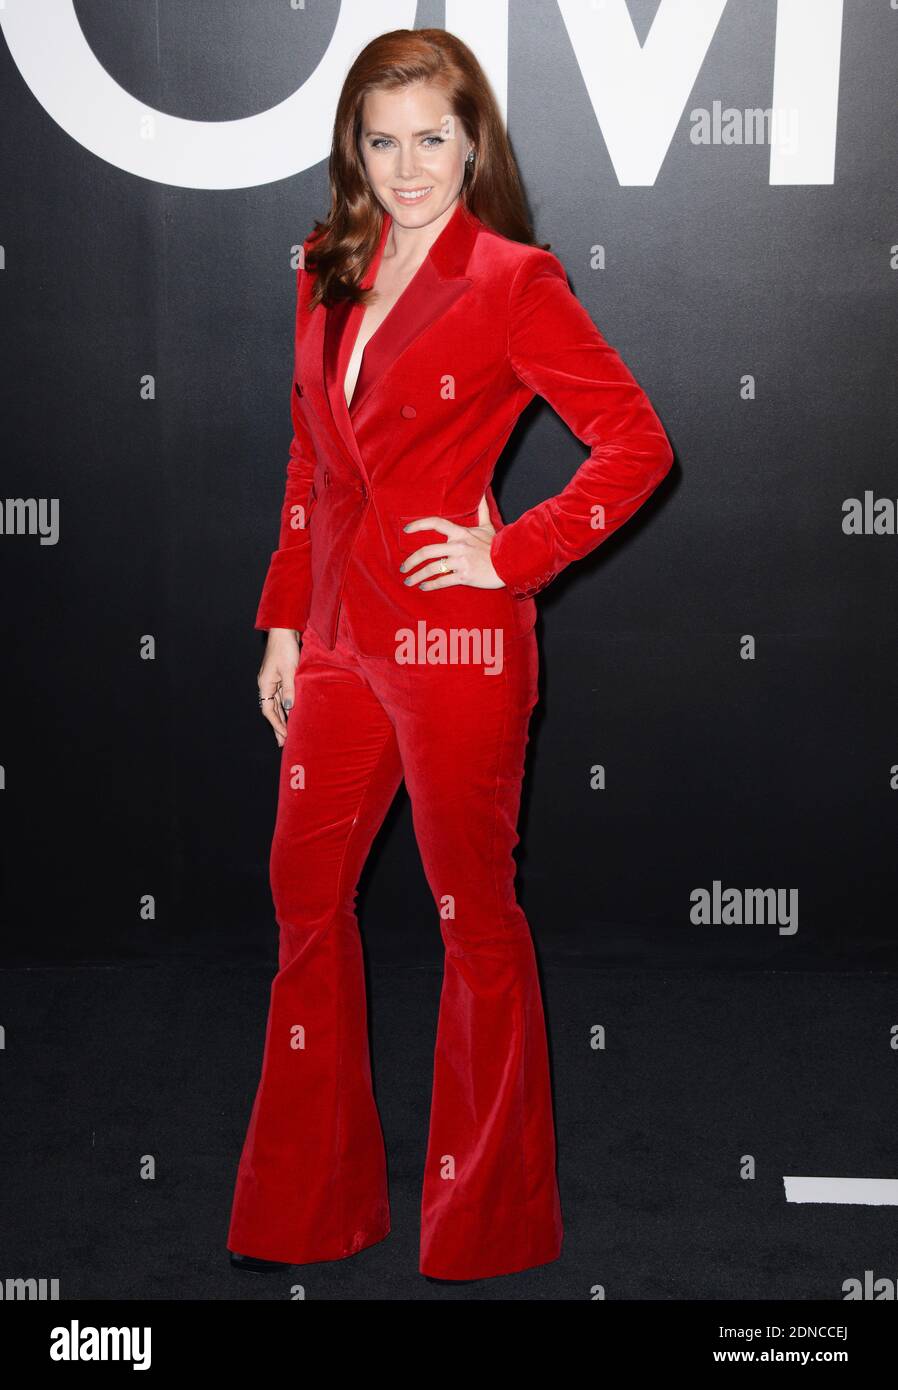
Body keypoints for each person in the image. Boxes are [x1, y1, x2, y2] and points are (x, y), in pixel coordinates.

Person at [227, 26, 673, 1284]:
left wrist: (509, 555)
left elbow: (636, 445)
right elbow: (312, 462)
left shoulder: (512, 279)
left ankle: (486, 1219)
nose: (409, 166)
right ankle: (310, 1205)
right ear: (352, 151)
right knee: (303, 906)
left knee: (472, 918)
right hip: (333, 644)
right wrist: (282, 622)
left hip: (455, 648)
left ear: (472, 142)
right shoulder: (323, 263)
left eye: (433, 138)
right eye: (383, 141)